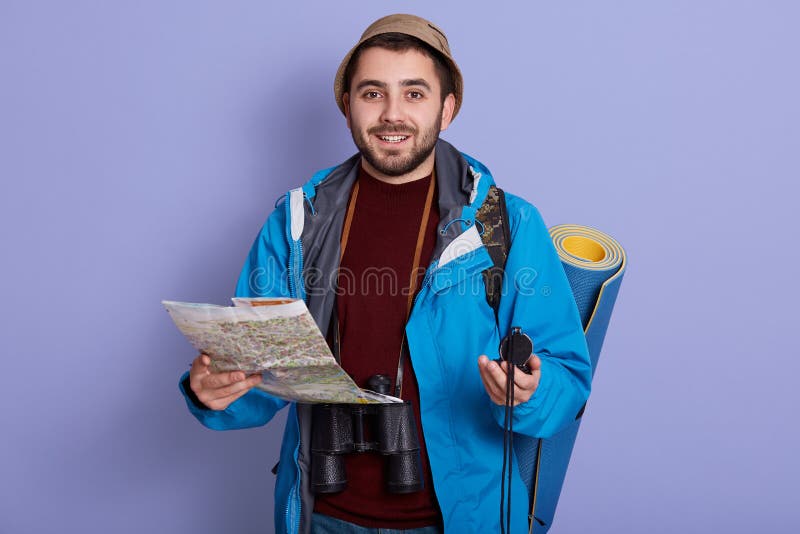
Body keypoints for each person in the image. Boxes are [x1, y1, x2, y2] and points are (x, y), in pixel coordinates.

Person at [179, 13, 591, 534]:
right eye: (372, 93)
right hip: (321, 515)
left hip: (460, 520)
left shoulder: (504, 223)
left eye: (414, 94)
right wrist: (213, 391)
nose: (392, 114)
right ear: (347, 106)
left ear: (448, 108)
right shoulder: (296, 222)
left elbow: (568, 380)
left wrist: (531, 390)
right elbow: (259, 378)